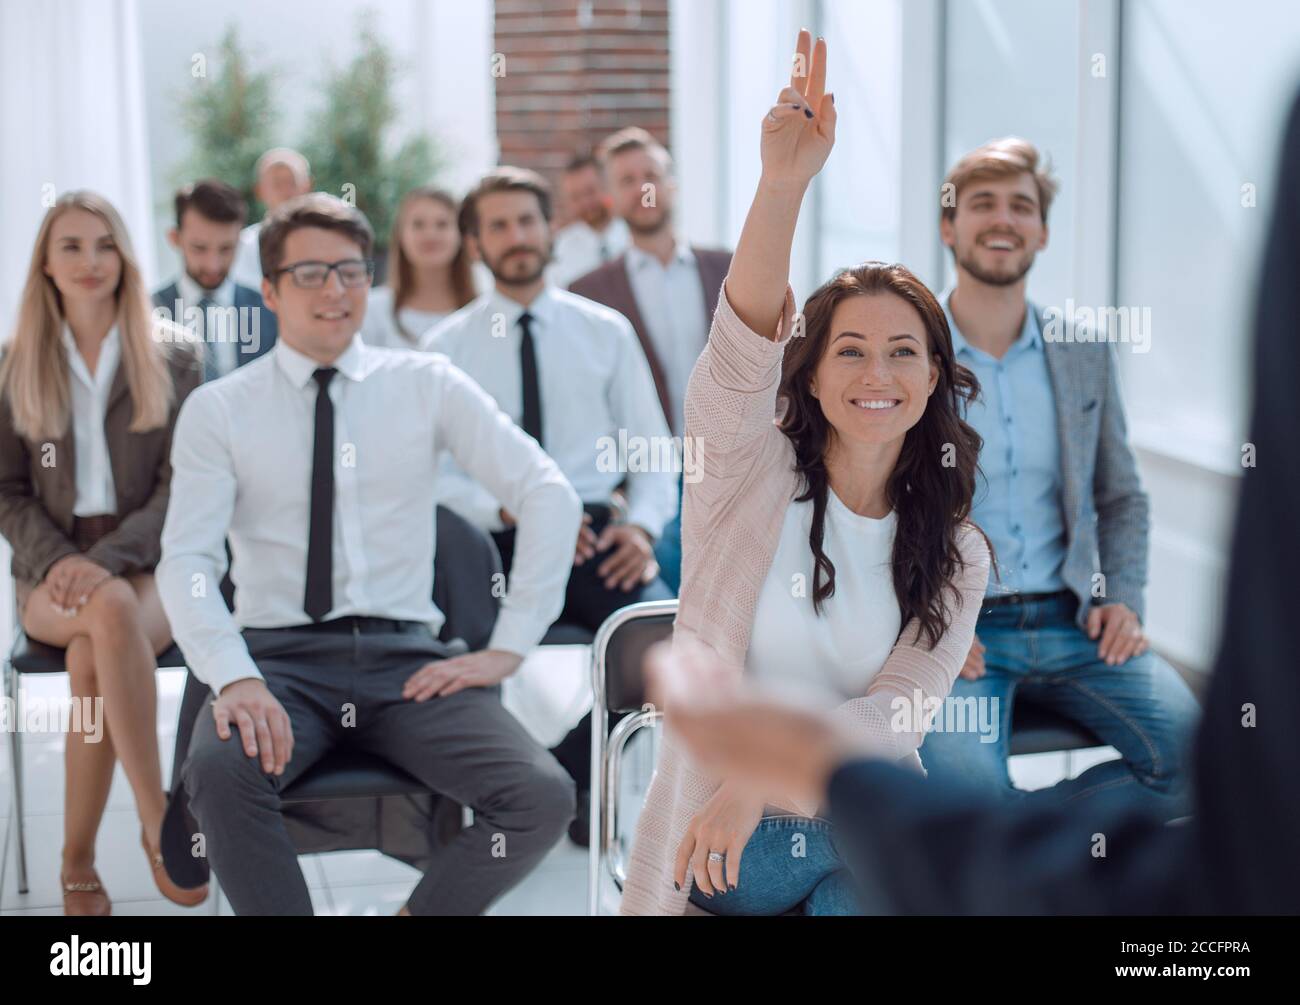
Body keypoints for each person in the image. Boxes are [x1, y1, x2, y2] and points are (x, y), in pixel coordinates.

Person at [619, 30, 991, 917]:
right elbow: (738, 352)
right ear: (812, 372)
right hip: (716, 845)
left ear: (933, 376)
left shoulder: (958, 547)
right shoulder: (745, 474)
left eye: (904, 352)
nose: (876, 375)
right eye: (850, 350)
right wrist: (781, 184)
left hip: (840, 819)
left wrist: (765, 781)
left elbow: (898, 715)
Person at [156, 192, 583, 916]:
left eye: (352, 271)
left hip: (406, 663)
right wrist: (234, 676)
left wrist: (511, 646)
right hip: (277, 660)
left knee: (542, 796)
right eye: (312, 273)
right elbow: (187, 560)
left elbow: (548, 491)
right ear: (269, 290)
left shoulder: (424, 383)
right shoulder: (221, 407)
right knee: (220, 770)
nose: (335, 290)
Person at [915, 137, 1200, 821]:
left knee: (1205, 764)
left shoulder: (1082, 350)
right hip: (959, 630)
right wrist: (923, 618)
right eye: (982, 204)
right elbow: (868, 500)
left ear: (1042, 230)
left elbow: (1121, 493)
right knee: (967, 804)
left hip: (1075, 622)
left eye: (1022, 205)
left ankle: (1030, 841)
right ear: (949, 226)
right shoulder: (909, 351)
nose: (1003, 219)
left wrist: (1125, 597)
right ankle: (1021, 844)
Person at [426, 166, 678, 843]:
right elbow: (426, 477)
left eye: (527, 220)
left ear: (550, 231)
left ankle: (563, 778)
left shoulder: (605, 331)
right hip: (493, 538)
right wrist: (515, 508)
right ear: (474, 244)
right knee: (456, 654)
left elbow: (654, 452)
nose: (516, 237)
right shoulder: (444, 350)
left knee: (665, 645)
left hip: (597, 535)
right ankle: (481, 804)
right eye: (498, 225)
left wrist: (644, 528)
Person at [0, 191, 206, 915]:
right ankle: (160, 822)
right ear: (46, 266)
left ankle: (77, 861)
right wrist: (62, 560)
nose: (90, 261)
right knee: (102, 612)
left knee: (99, 644)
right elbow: (6, 491)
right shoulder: (14, 361)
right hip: (48, 567)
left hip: (148, 560)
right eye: (71, 247)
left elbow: (181, 487)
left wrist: (110, 557)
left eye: (104, 245)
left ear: (125, 257)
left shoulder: (174, 354)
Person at [570, 127, 733, 593]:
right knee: (669, 597)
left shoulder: (730, 269)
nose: (642, 188)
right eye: (626, 179)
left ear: (672, 184)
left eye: (651, 175)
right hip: (646, 471)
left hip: (730, 461)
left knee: (734, 594)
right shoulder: (587, 293)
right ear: (608, 196)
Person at [153, 179, 278, 381]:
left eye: (226, 249)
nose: (213, 265)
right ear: (175, 238)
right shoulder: (149, 313)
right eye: (199, 248)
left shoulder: (269, 311)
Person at [359, 186, 478, 349]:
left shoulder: (483, 311)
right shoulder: (370, 310)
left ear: (461, 234)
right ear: (400, 235)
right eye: (418, 224)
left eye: (442, 224)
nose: (430, 234)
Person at [229, 147, 313, 290]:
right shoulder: (242, 246)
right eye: (277, 184)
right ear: (259, 191)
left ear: (308, 186)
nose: (286, 191)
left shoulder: (328, 239)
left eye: (291, 182)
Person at [546, 153, 630, 289]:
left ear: (607, 186)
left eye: (590, 191)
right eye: (575, 197)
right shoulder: (560, 250)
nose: (585, 202)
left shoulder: (634, 235)